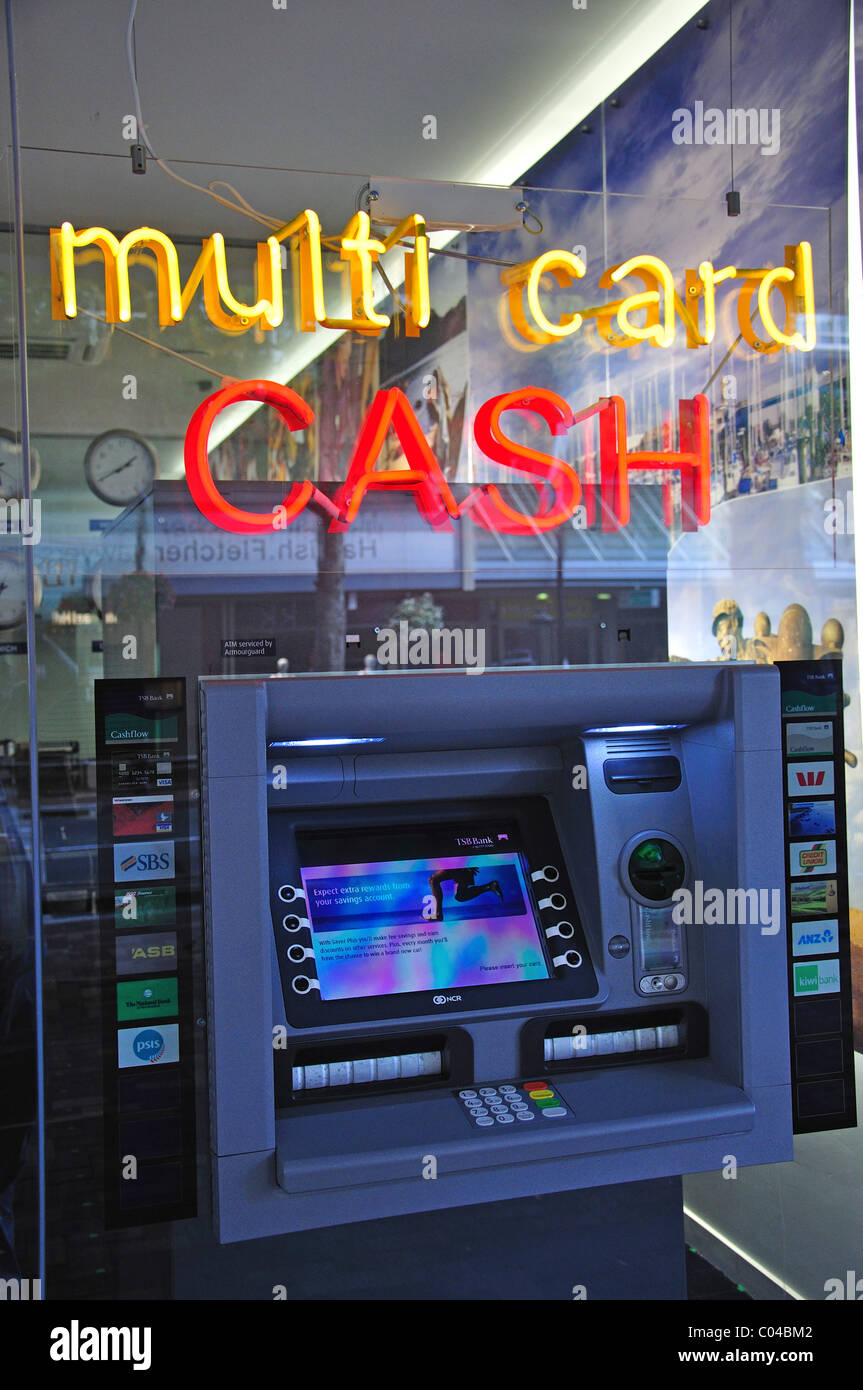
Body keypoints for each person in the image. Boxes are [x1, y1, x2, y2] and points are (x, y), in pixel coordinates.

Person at [426, 866, 503, 922]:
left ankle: (437, 914)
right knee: (460, 896)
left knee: (434, 879)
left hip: (459, 864)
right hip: (458, 863)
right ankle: (490, 886)